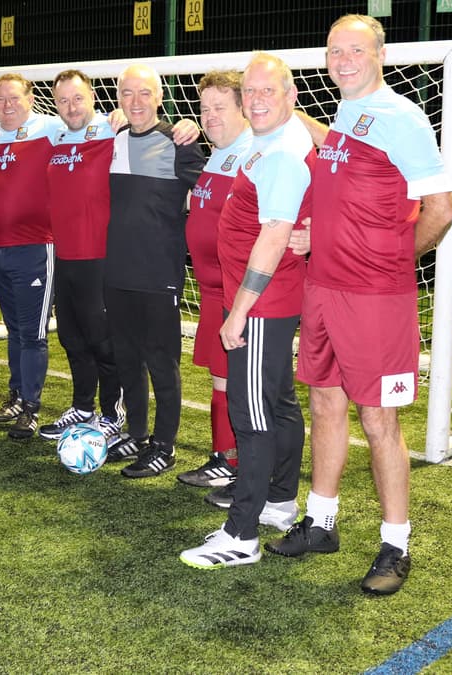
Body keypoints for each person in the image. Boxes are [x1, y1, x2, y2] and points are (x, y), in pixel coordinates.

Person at [266, 15, 452, 596]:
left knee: (379, 419)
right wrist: (285, 108)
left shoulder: (404, 117)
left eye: (354, 50)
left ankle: (396, 543)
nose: (342, 59)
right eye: (333, 50)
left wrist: (392, 264)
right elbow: (340, 154)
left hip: (375, 299)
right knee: (326, 403)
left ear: (378, 54)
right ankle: (321, 523)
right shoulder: (349, 115)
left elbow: (441, 210)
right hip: (322, 288)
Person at [179, 52, 313, 568]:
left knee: (251, 413)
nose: (256, 101)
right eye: (250, 92)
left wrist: (238, 312)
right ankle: (280, 501)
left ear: (291, 98)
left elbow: (275, 235)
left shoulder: (279, 153)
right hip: (268, 301)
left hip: (261, 303)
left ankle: (242, 534)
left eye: (267, 92)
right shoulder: (271, 143)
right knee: (277, 404)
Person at [104, 63, 206, 477]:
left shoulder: (179, 143)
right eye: (127, 94)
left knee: (161, 361)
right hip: (116, 270)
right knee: (126, 358)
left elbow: (212, 197)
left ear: (159, 96)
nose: (135, 102)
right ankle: (138, 433)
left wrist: (194, 125)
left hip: (158, 271)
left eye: (144, 93)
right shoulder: (112, 138)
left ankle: (165, 446)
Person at [35, 69, 127, 442]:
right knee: (71, 338)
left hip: (100, 255)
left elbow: (155, 129)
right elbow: (10, 126)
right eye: (62, 101)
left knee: (103, 339)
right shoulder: (51, 134)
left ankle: (113, 413)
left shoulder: (112, 129)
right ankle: (83, 407)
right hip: (63, 255)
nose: (71, 107)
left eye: (77, 98)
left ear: (91, 95)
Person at [174, 70, 252, 492]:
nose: (210, 116)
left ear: (243, 108)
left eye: (220, 107)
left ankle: (244, 467)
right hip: (210, 290)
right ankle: (224, 457)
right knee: (221, 379)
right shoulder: (217, 152)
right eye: (205, 108)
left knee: (242, 384)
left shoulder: (252, 153)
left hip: (238, 295)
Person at [0, 73, 60, 439]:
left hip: (35, 249)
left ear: (30, 98)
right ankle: (15, 396)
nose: (7, 106)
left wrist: (116, 119)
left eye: (13, 98)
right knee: (13, 330)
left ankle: (31, 407)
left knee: (33, 333)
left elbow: (91, 125)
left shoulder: (50, 128)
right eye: (0, 100)